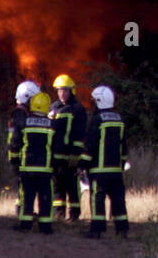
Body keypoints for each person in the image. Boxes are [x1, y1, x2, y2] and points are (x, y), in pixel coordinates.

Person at [80, 85, 128, 238]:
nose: (92, 104)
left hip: (99, 171)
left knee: (97, 199)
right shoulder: (119, 120)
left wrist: (82, 164)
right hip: (115, 171)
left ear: (99, 102)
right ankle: (122, 230)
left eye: (94, 101)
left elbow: (90, 145)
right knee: (119, 200)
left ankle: (97, 230)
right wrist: (121, 165)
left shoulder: (97, 120)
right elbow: (124, 146)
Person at [10, 90, 61, 233]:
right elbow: (56, 148)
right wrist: (56, 167)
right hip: (45, 170)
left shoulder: (24, 123)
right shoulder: (52, 125)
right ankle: (46, 227)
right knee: (45, 198)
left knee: (27, 197)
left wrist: (15, 163)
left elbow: (15, 144)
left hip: (27, 168)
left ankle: (25, 225)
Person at [48, 73, 87, 221]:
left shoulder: (77, 109)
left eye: (65, 90)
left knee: (72, 185)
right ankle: (59, 213)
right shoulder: (53, 108)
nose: (62, 93)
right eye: (59, 90)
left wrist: (76, 154)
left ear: (71, 91)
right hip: (55, 155)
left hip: (70, 155)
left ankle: (75, 214)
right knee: (57, 185)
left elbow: (79, 134)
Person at [8, 80, 40, 221]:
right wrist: (15, 158)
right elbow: (18, 137)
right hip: (21, 154)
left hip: (20, 153)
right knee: (23, 185)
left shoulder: (21, 112)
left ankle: (23, 211)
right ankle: (21, 212)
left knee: (24, 185)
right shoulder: (21, 113)